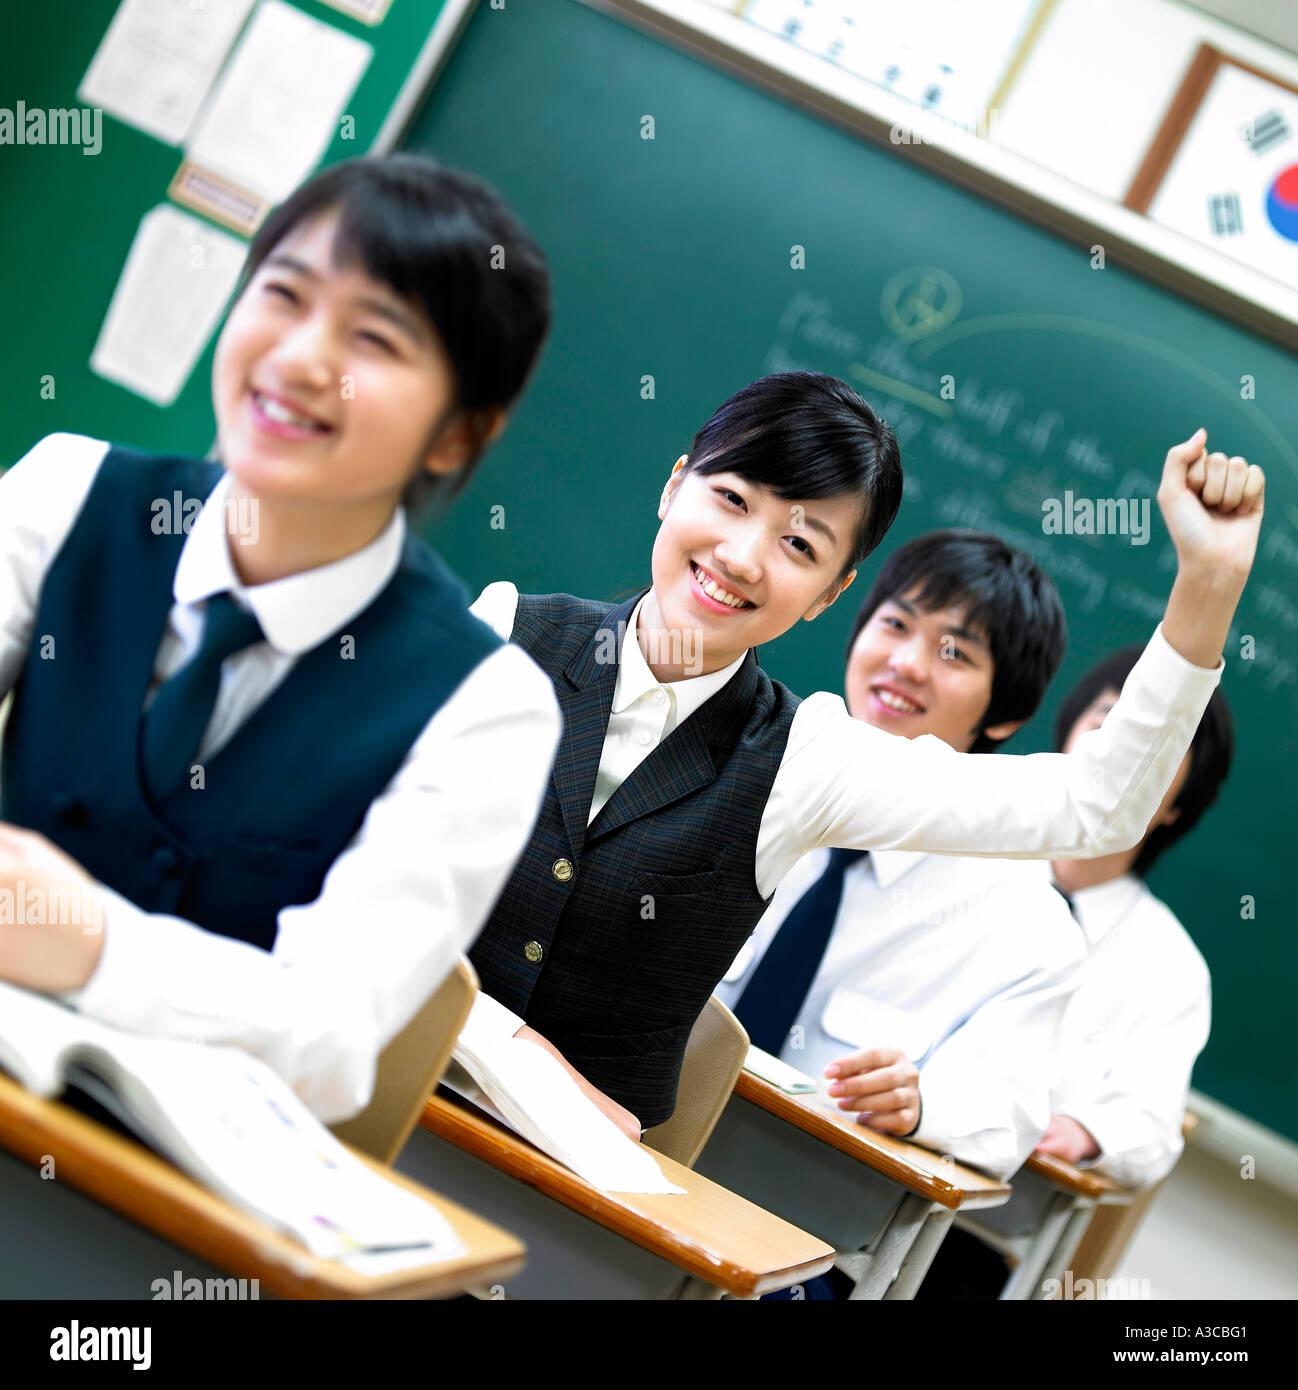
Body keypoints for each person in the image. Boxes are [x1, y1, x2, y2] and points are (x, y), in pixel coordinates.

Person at [459, 368, 1264, 1139]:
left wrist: (1211, 583)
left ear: (832, 593)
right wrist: (506, 1044)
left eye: (799, 546)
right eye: (731, 498)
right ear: (675, 486)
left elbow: (1099, 806)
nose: (741, 556)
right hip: (377, 1066)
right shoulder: (505, 633)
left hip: (572, 1184)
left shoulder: (805, 759)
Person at [0, 154, 560, 1123]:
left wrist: (91, 943)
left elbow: (331, 1037)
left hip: (162, 1188)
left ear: (458, 435)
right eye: (284, 293)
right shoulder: (69, 494)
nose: (300, 356)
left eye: (374, 337)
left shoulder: (484, 706)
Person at [716, 530, 1083, 1181]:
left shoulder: (1029, 926)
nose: (908, 663)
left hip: (794, 1219)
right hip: (615, 1132)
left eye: (954, 653)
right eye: (895, 624)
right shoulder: (738, 766)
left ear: (1006, 714)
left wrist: (922, 1105)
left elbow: (1007, 1117)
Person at [1037, 646, 1231, 1188]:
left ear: (1177, 807)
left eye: (1157, 746)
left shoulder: (1172, 965)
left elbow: (1151, 1130)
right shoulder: (962, 852)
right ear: (1069, 733)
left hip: (987, 1217)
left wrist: (1084, 1131)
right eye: (1107, 719)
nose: (1121, 748)